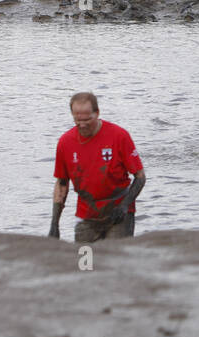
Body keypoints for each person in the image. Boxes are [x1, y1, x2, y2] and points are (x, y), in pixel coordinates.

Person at [50, 91, 146, 242]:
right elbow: (62, 184)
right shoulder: (65, 142)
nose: (82, 124)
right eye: (77, 119)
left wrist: (124, 206)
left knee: (113, 260)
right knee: (85, 262)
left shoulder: (119, 136)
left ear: (97, 113)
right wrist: (54, 225)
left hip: (118, 212)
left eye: (87, 119)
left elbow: (140, 177)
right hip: (86, 215)